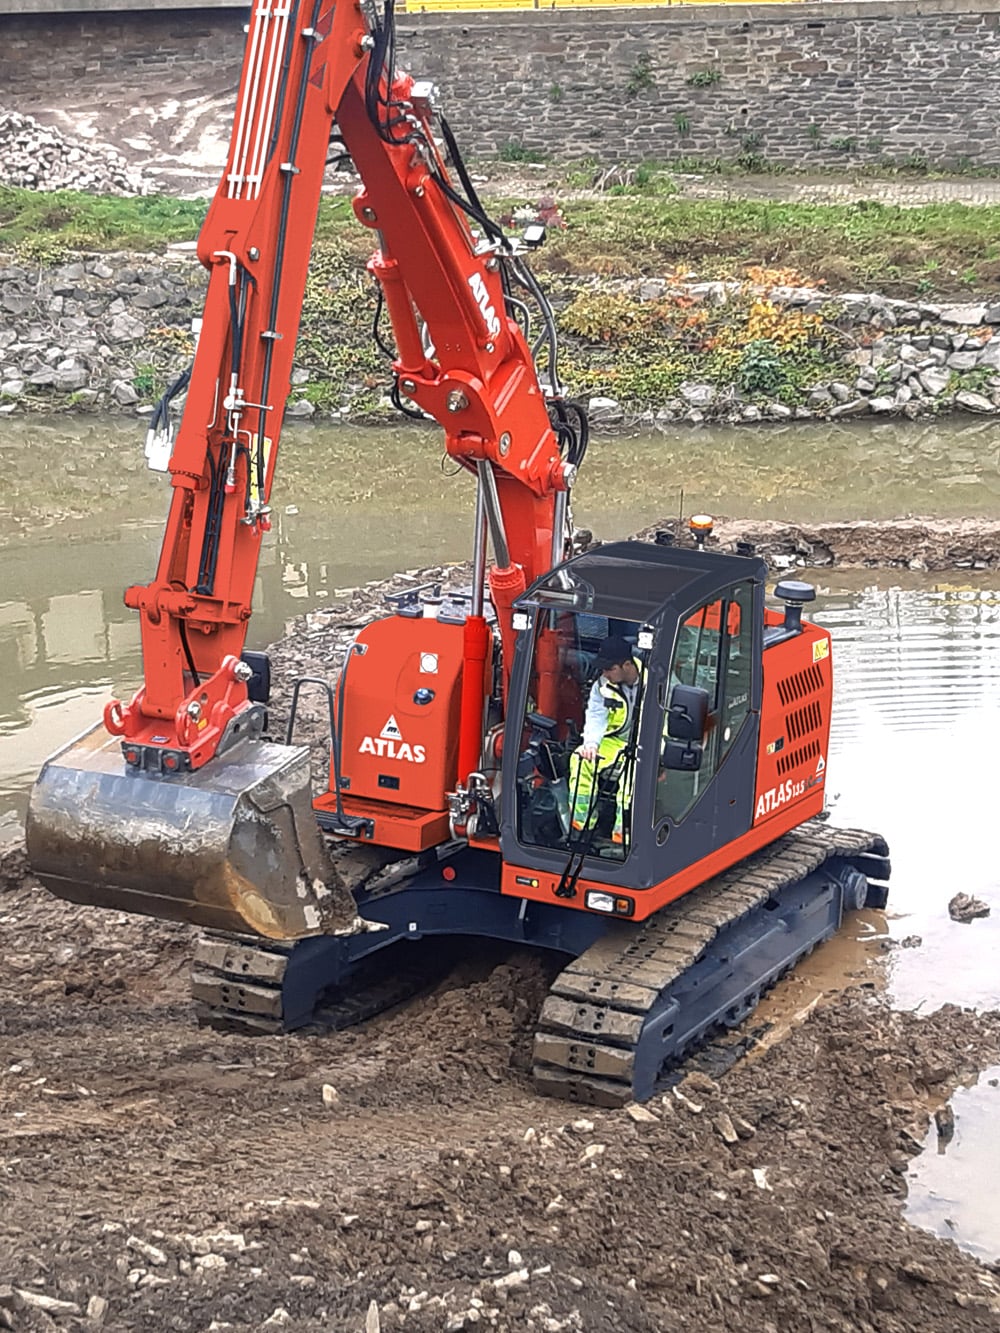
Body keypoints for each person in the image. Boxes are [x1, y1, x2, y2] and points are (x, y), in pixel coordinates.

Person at [569, 635, 644, 846]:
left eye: (609, 669)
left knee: (633, 775)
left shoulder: (657, 681)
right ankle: (581, 829)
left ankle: (622, 839)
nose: (604, 674)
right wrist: (591, 744)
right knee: (580, 760)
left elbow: (666, 723)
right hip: (616, 741)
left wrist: (661, 759)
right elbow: (595, 715)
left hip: (646, 743)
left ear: (626, 665)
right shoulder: (602, 685)